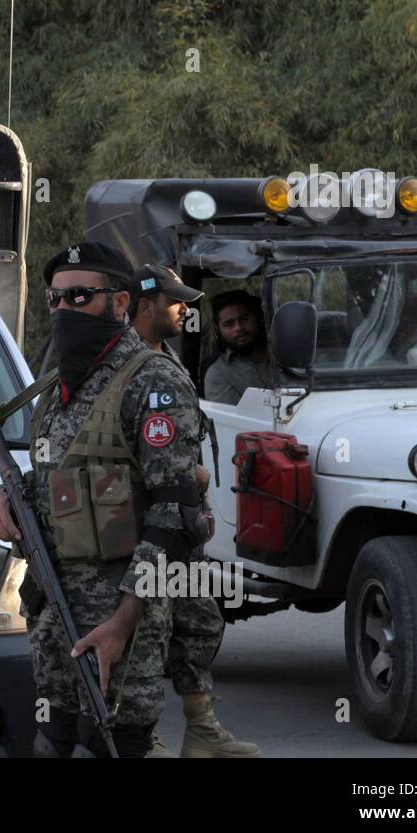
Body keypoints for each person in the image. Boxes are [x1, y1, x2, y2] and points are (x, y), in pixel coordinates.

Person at [0, 242, 208, 758]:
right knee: (54, 738)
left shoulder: (153, 382)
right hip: (53, 612)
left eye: (79, 296)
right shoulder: (63, 385)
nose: (64, 309)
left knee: (118, 744)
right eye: (54, 299)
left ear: (120, 303)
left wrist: (123, 621)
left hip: (120, 625)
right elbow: (54, 479)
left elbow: (176, 516)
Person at [127, 264, 260, 758]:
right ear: (145, 305)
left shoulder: (166, 358)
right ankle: (139, 738)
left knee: (201, 622)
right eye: (175, 301)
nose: (185, 309)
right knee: (147, 632)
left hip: (181, 526)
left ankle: (202, 728)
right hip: (146, 528)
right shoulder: (126, 365)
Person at [204, 290, 282, 405]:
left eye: (244, 318)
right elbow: (232, 421)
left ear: (257, 318)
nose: (239, 328)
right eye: (229, 324)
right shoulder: (218, 374)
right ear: (218, 332)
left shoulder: (284, 355)